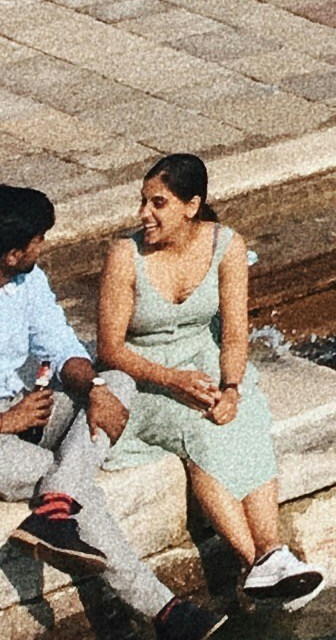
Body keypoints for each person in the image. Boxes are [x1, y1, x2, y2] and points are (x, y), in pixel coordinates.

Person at [0, 183, 223, 640]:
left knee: (117, 385)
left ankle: (56, 507)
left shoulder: (28, 280)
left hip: (29, 406)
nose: (44, 247)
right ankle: (161, 609)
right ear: (11, 253)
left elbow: (62, 348)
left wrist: (94, 388)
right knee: (57, 475)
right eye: (37, 240)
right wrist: (7, 422)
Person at [96, 159, 321, 611]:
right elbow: (109, 348)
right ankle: (258, 560)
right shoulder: (126, 256)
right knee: (199, 430)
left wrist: (233, 388)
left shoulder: (228, 246)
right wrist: (170, 379)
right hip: (145, 375)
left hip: (203, 361)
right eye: (143, 201)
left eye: (158, 203)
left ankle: (271, 554)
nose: (145, 213)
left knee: (244, 418)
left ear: (192, 206)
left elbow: (236, 334)